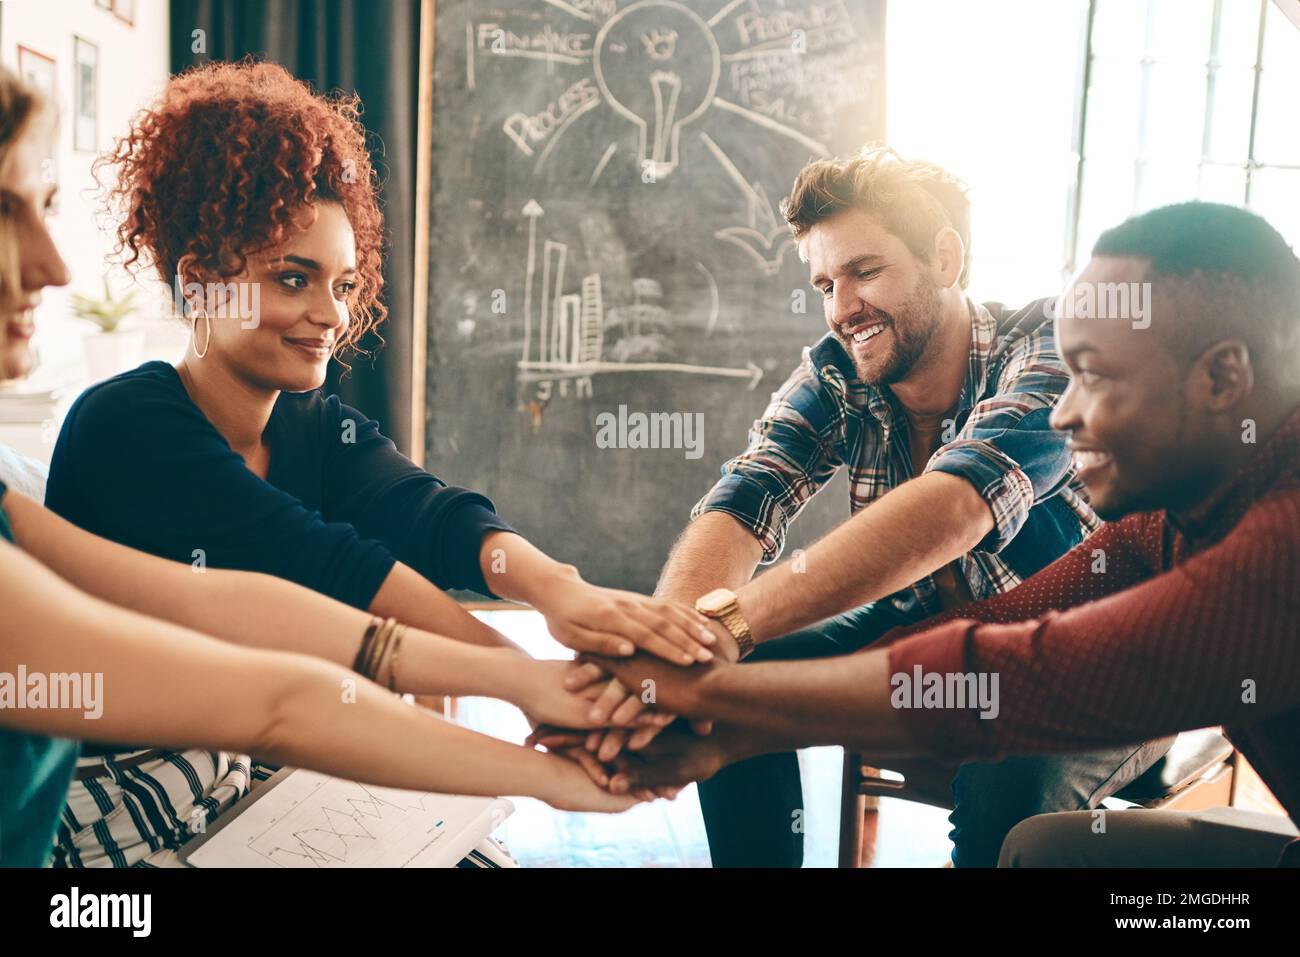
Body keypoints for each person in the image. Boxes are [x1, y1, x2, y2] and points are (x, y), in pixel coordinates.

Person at [42, 60, 698, 866]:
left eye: (345, 285)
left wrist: (558, 591)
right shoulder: (125, 426)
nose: (331, 314)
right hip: (119, 803)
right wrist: (531, 682)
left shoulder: (308, 421)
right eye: (295, 279)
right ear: (202, 284)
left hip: (246, 775)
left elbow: (426, 511)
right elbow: (327, 568)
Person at [582, 201, 1300, 867]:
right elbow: (995, 627)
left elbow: (1016, 669)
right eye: (825, 284)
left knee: (1014, 800)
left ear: (1221, 378)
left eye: (1095, 377)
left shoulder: (1280, 549)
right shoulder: (1165, 526)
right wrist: (704, 690)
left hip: (1102, 682)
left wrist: (715, 687)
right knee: (1043, 852)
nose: (1065, 414)